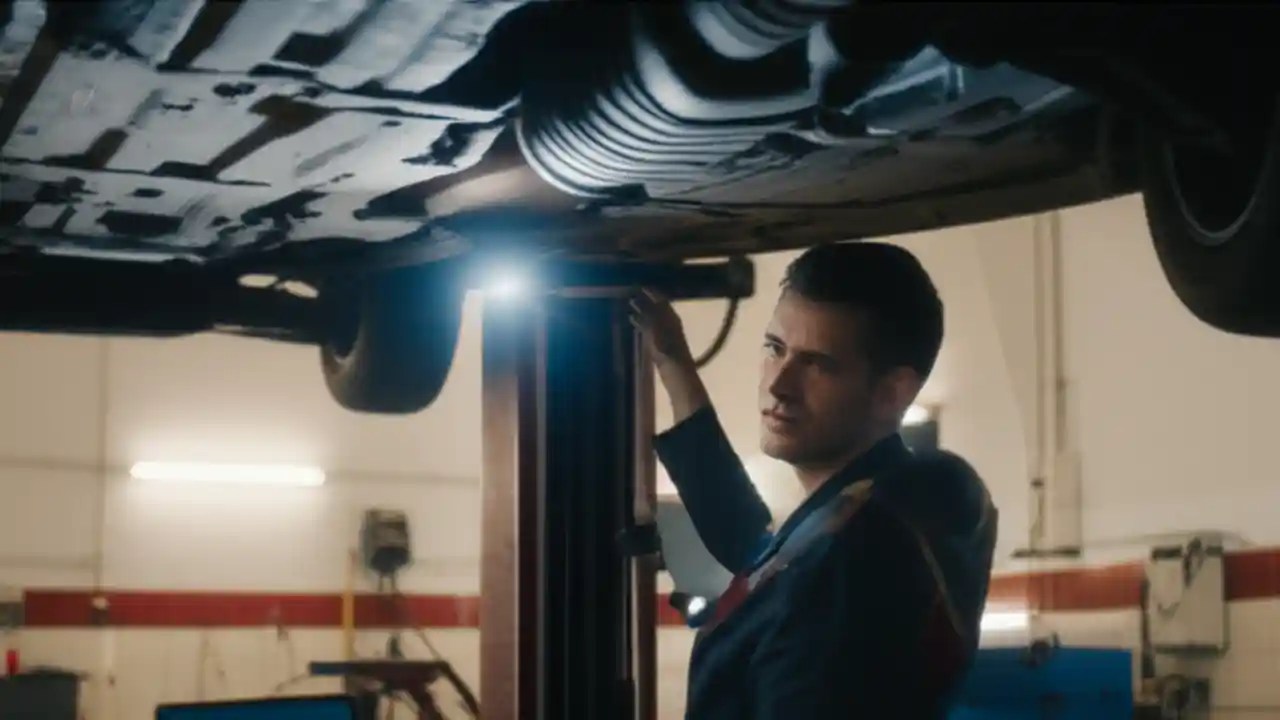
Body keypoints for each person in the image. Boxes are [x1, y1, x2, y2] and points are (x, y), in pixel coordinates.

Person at [631, 242, 998, 719]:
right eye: (775, 349)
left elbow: (805, 583)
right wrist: (673, 362)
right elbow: (756, 555)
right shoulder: (868, 512)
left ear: (893, 392)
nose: (779, 385)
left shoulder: (859, 559)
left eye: (817, 364)